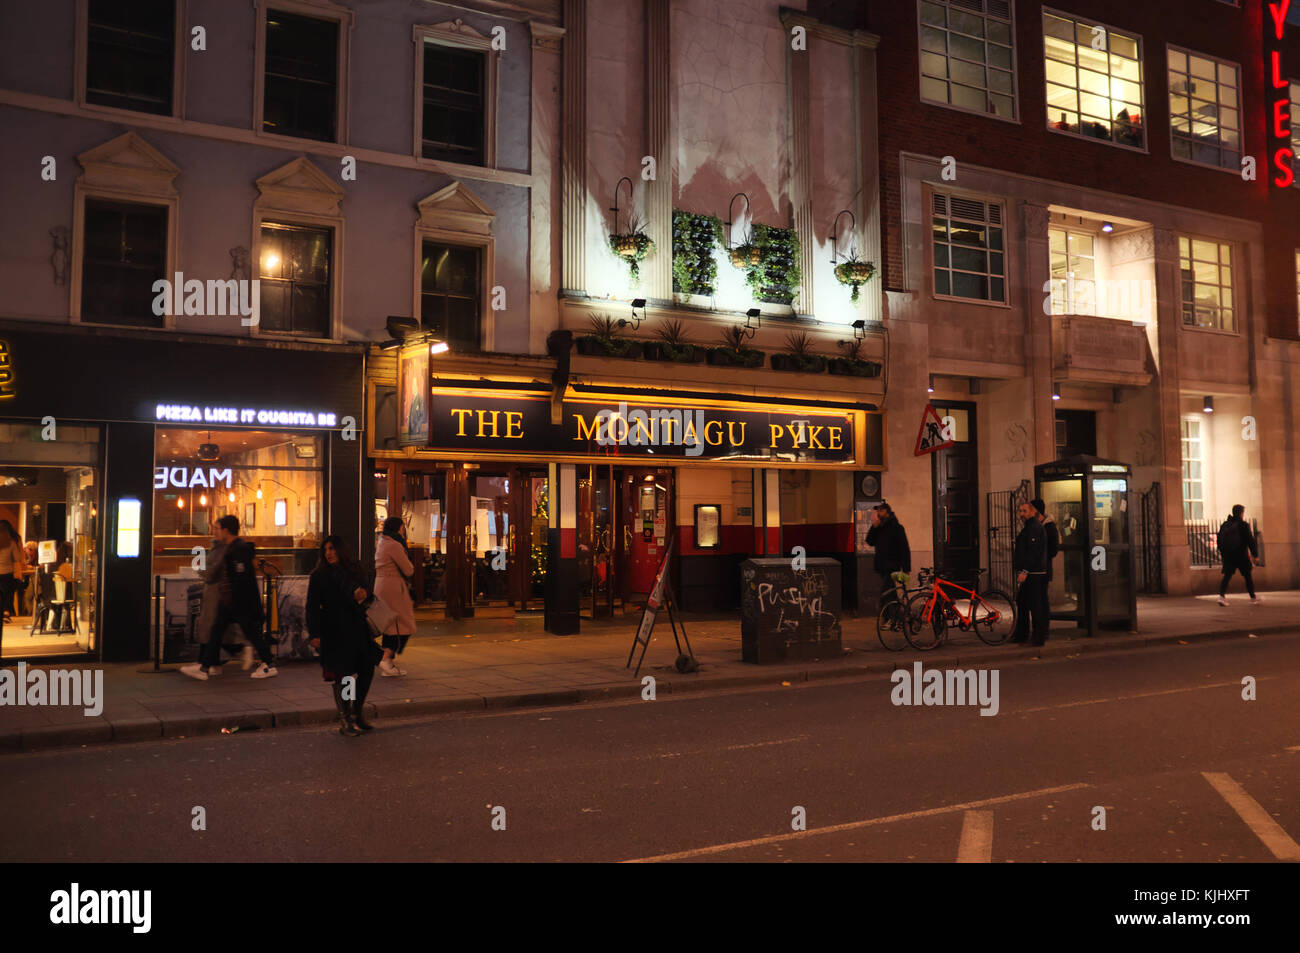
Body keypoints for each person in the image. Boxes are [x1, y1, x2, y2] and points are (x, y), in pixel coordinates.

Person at [181, 515, 273, 681]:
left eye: (218, 528)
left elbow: (242, 577)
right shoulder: (231, 548)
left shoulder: (239, 549)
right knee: (216, 631)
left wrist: (236, 600)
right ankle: (205, 667)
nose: (216, 532)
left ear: (226, 530)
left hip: (238, 601)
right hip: (230, 600)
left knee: (250, 632)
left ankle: (268, 663)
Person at [306, 535, 381, 736]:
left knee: (366, 669)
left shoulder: (353, 570)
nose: (329, 553)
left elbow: (368, 593)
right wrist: (314, 633)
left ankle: (357, 711)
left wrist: (363, 594)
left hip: (357, 627)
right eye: (326, 549)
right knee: (345, 675)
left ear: (341, 550)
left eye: (332, 549)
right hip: (335, 630)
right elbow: (312, 606)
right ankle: (346, 718)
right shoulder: (320, 575)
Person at [374, 516, 415, 677]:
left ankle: (388, 663)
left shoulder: (382, 542)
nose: (403, 531)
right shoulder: (394, 545)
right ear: (398, 528)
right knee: (404, 624)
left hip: (382, 586)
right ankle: (385, 659)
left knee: (390, 626)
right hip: (393, 588)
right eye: (402, 528)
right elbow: (408, 570)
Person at [1009, 501, 1050, 646]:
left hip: (1034, 574)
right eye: (1020, 511)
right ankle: (1022, 633)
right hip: (1032, 573)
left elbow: (1033, 552)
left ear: (1033, 512)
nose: (1021, 514)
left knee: (1035, 605)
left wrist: (1025, 571)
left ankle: (1037, 637)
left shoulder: (1033, 528)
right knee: (1023, 602)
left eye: (1024, 511)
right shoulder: (1030, 527)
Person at [865, 502, 911, 609]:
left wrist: (906, 568)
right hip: (882, 566)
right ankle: (896, 617)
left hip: (892, 566)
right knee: (891, 594)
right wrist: (873, 528)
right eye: (877, 511)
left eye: (881, 510)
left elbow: (904, 548)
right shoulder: (879, 528)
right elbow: (870, 541)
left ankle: (889, 618)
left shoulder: (897, 528)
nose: (878, 513)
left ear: (887, 512)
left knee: (886, 594)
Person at [1217, 504, 1260, 606]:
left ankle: (1221, 596)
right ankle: (1253, 597)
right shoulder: (1243, 525)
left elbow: (1219, 540)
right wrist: (1255, 555)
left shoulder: (1225, 525)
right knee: (1247, 576)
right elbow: (1250, 541)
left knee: (1227, 576)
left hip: (1229, 555)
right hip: (1241, 555)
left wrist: (1223, 553)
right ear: (1241, 513)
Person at [0, 520, 24, 625]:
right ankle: (6, 612)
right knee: (7, 594)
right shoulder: (12, 542)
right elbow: (17, 558)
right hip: (8, 573)